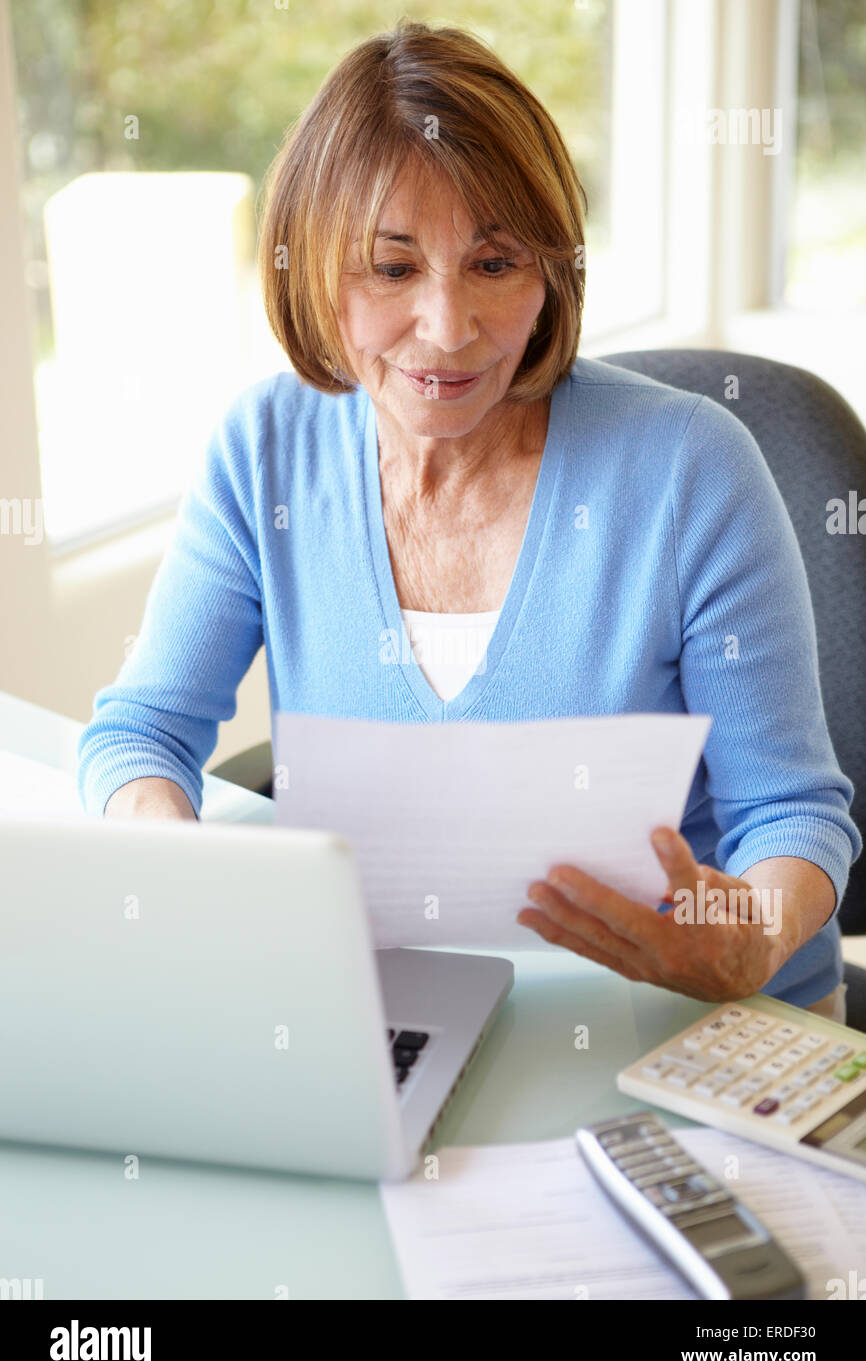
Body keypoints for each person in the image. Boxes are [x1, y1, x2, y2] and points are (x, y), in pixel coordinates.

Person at [77, 18, 860, 1022]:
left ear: (551, 272)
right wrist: (177, 872)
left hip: (693, 1034)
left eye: (494, 263)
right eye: (391, 268)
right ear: (312, 271)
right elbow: (139, 730)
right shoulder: (265, 449)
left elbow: (788, 813)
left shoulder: (690, 468)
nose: (446, 329)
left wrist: (744, 939)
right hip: (398, 1021)